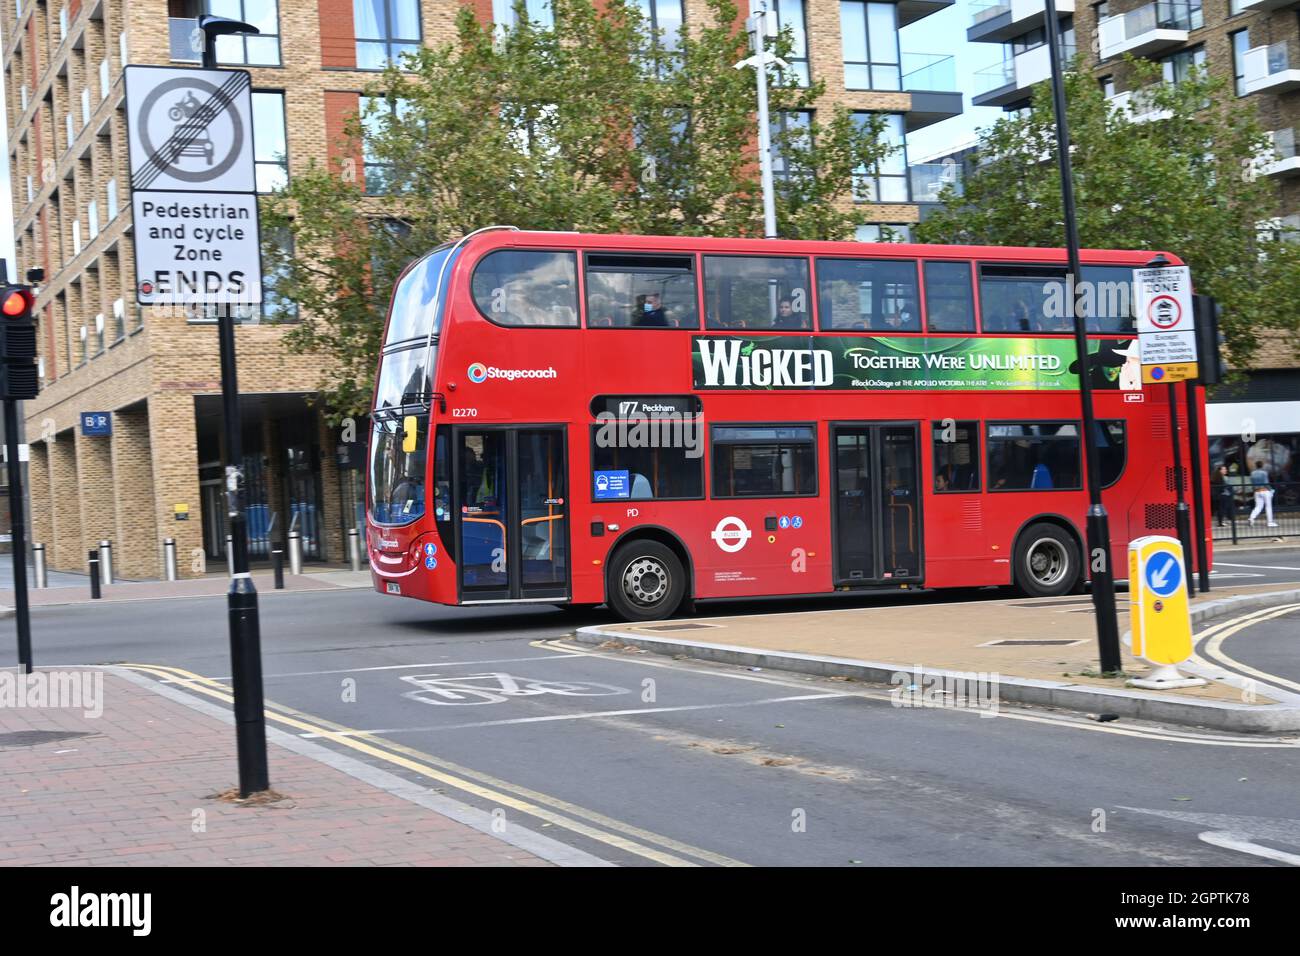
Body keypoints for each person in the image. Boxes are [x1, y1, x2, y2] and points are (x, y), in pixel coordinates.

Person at [1248, 460, 1277, 527]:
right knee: (1268, 507)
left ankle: (1251, 517)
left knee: (1258, 506)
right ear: (1262, 465)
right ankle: (1270, 522)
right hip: (1265, 490)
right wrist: (1271, 489)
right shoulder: (1264, 473)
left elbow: (1252, 483)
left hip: (1257, 491)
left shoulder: (1252, 473)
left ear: (1256, 465)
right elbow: (1266, 483)